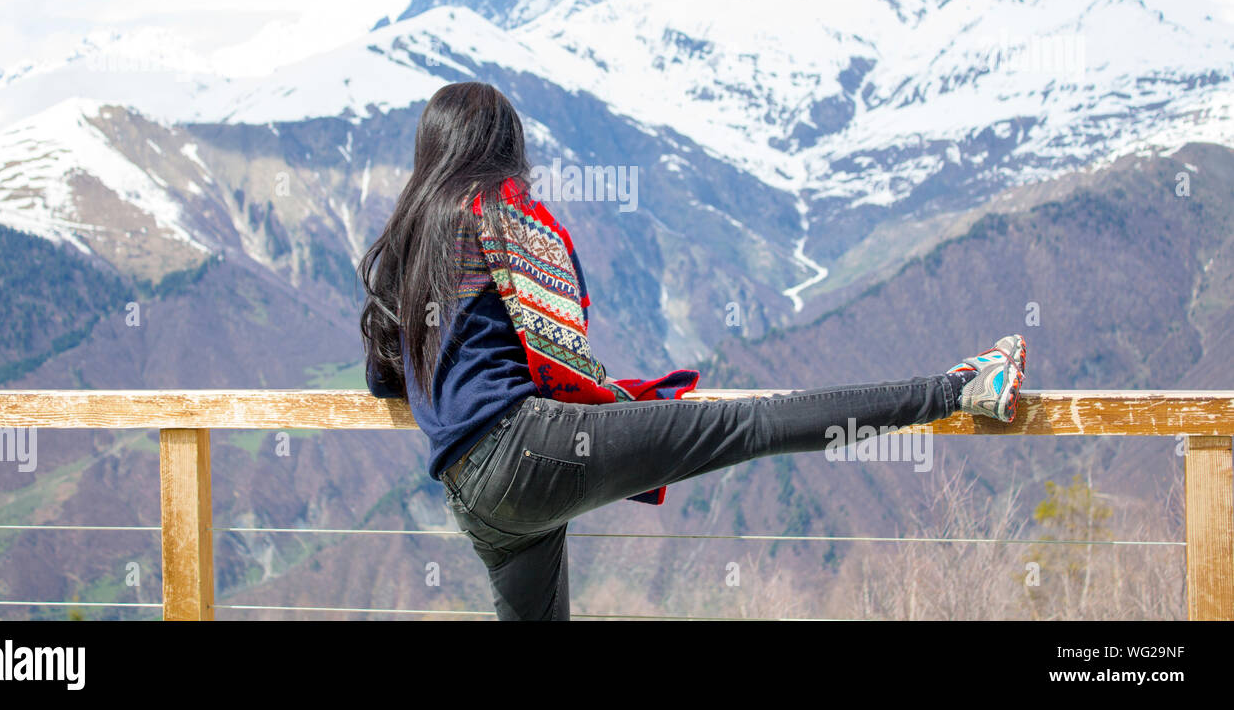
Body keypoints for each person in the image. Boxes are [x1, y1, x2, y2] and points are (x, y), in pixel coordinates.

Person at [360, 80, 1026, 620]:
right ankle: (960, 388)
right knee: (754, 422)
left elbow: (385, 380)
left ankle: (962, 387)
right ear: (504, 148)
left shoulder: (403, 245)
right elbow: (562, 319)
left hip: (472, 496)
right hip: (530, 448)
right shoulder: (499, 212)